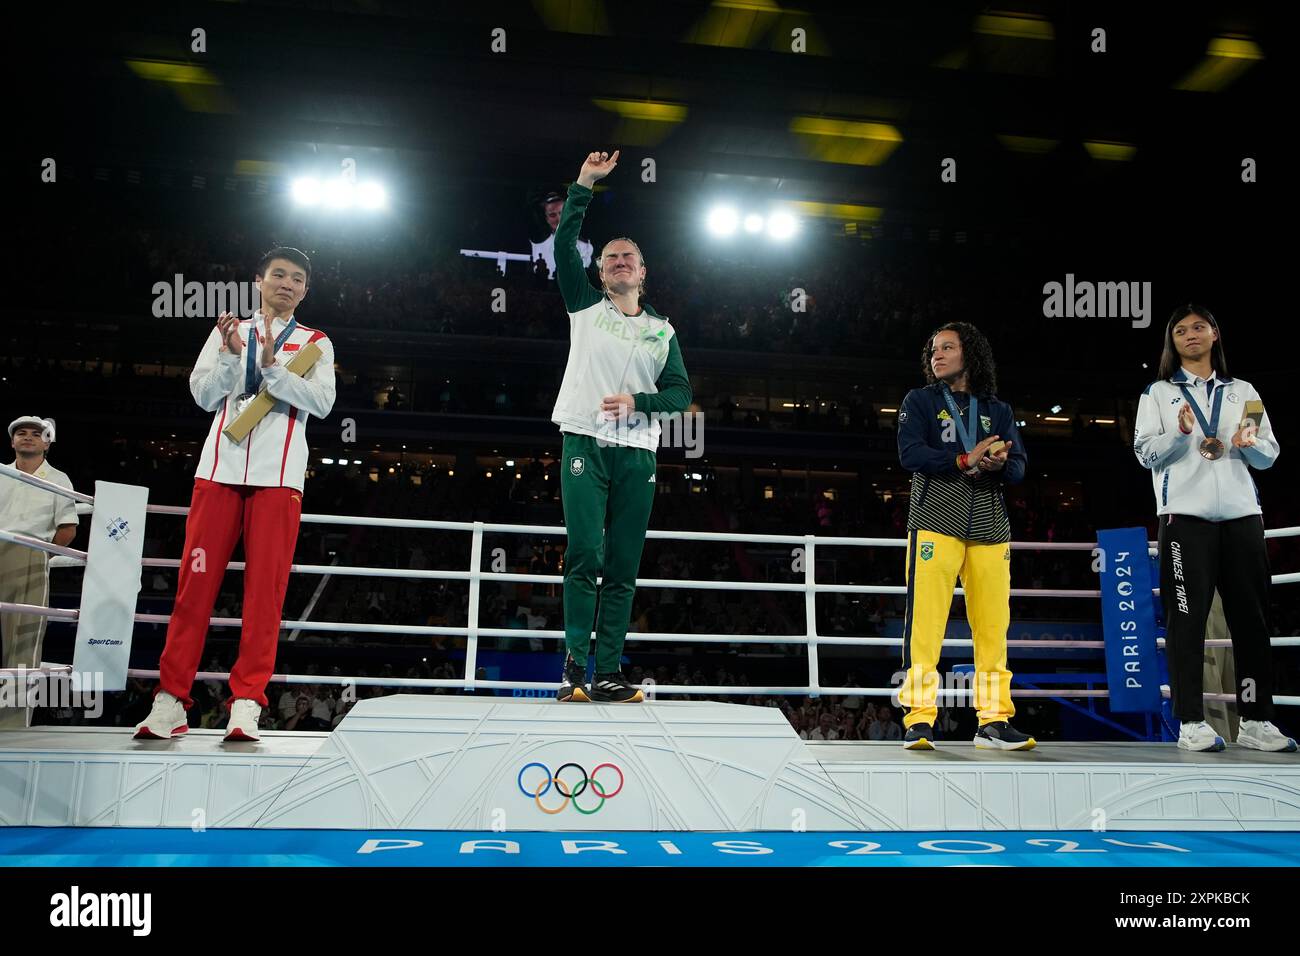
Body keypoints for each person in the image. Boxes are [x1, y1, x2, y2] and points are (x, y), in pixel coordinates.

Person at [135, 247, 336, 742]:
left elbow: (325, 404)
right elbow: (204, 396)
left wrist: (273, 370)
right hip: (218, 473)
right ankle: (169, 701)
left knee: (264, 596)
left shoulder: (316, 343)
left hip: (279, 479)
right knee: (192, 591)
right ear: (259, 280)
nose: (287, 284)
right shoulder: (228, 332)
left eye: (296, 279)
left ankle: (246, 703)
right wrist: (229, 358)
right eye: (278, 275)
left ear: (305, 290)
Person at [551, 149, 692, 703]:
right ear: (599, 270)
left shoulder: (663, 330)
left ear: (642, 270)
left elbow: (681, 394)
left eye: (627, 256)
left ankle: (608, 671)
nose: (617, 262)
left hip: (639, 451)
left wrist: (639, 402)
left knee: (625, 564)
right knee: (586, 553)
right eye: (609, 257)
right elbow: (565, 244)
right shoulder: (584, 306)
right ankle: (573, 671)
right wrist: (584, 183)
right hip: (584, 439)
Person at [1133, 304, 1294, 752]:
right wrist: (1182, 434)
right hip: (1185, 519)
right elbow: (1145, 454)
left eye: (1198, 327)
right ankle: (1190, 722)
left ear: (1215, 335)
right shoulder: (1158, 394)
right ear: (1173, 342)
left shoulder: (1245, 391)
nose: (1190, 335)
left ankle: (1256, 719)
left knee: (1252, 622)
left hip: (1243, 517)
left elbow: (1269, 456)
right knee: (1187, 622)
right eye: (1180, 330)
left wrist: (1251, 444)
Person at [895, 322, 1035, 751]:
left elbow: (1020, 467)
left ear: (969, 354)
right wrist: (963, 458)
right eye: (934, 349)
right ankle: (918, 719)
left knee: (994, 627)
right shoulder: (919, 401)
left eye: (948, 348)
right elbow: (909, 454)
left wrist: (998, 465)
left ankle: (993, 721)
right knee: (926, 626)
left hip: (990, 526)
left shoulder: (999, 410)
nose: (937, 355)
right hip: (936, 520)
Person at [0, 415, 79, 729]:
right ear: (12, 441)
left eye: (36, 433)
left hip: (30, 553)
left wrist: (39, 554)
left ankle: (11, 724)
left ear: (47, 442)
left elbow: (67, 529)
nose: (28, 437)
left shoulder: (58, 479)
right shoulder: (1, 473)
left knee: (23, 643)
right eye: (21, 433)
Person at [530, 190, 594, 281]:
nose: (559, 219)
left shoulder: (586, 247)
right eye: (552, 215)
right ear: (546, 219)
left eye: (562, 213)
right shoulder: (538, 247)